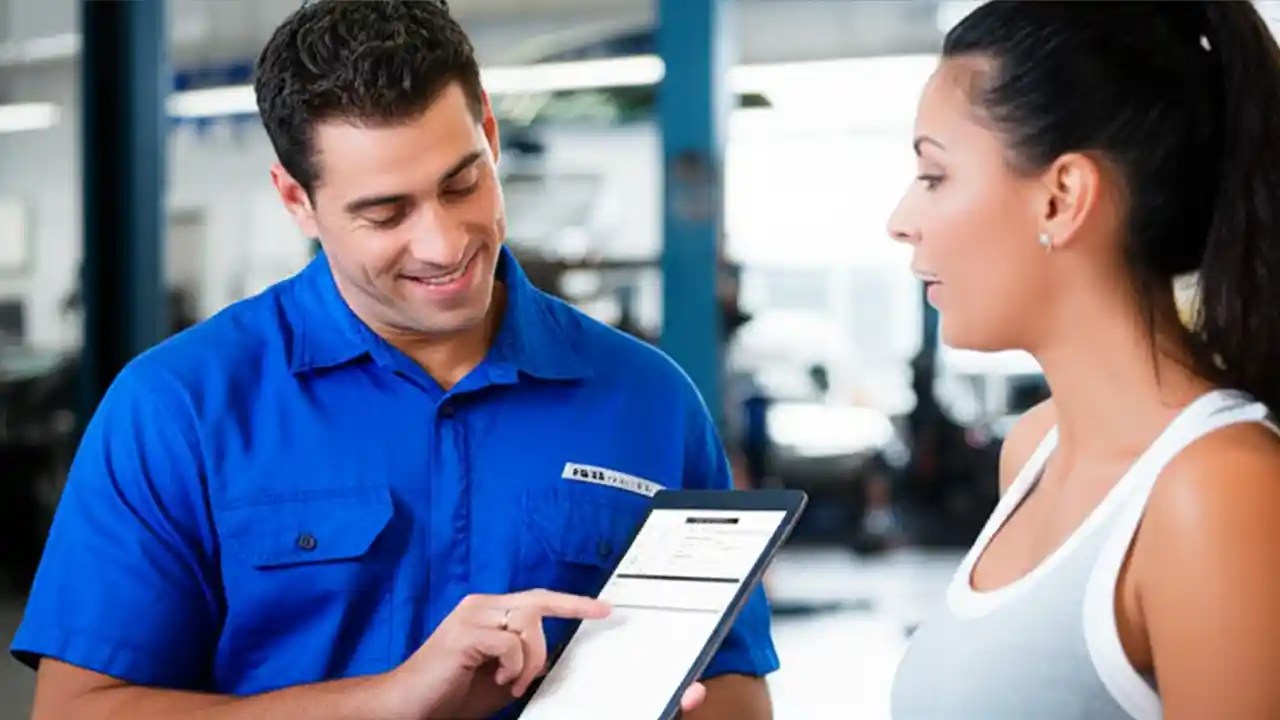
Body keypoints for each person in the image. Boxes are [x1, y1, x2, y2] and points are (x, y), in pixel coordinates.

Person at [10, 2, 778, 718]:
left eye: (463, 182)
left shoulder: (648, 400)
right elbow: (80, 708)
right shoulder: (177, 408)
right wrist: (393, 698)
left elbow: (739, 685)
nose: (445, 245)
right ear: (296, 200)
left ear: (489, 132)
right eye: (385, 213)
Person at [887, 2, 1280, 717]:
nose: (900, 221)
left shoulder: (1215, 490)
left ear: (1061, 198)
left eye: (935, 176)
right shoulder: (1034, 449)